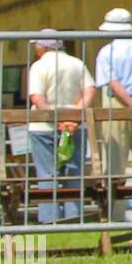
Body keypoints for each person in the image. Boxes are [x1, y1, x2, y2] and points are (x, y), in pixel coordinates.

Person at [93, 8, 132, 222]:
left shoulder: (107, 51)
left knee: (115, 161)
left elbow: (112, 82)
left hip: (119, 106)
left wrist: (131, 106)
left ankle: (115, 215)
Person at [27, 29, 95, 224]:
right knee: (74, 171)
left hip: (43, 127)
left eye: (37, 45)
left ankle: (50, 220)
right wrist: (74, 116)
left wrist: (56, 119)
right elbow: (90, 89)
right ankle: (75, 218)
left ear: (42, 47)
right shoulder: (77, 63)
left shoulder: (39, 66)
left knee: (47, 174)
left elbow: (37, 97)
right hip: (74, 126)